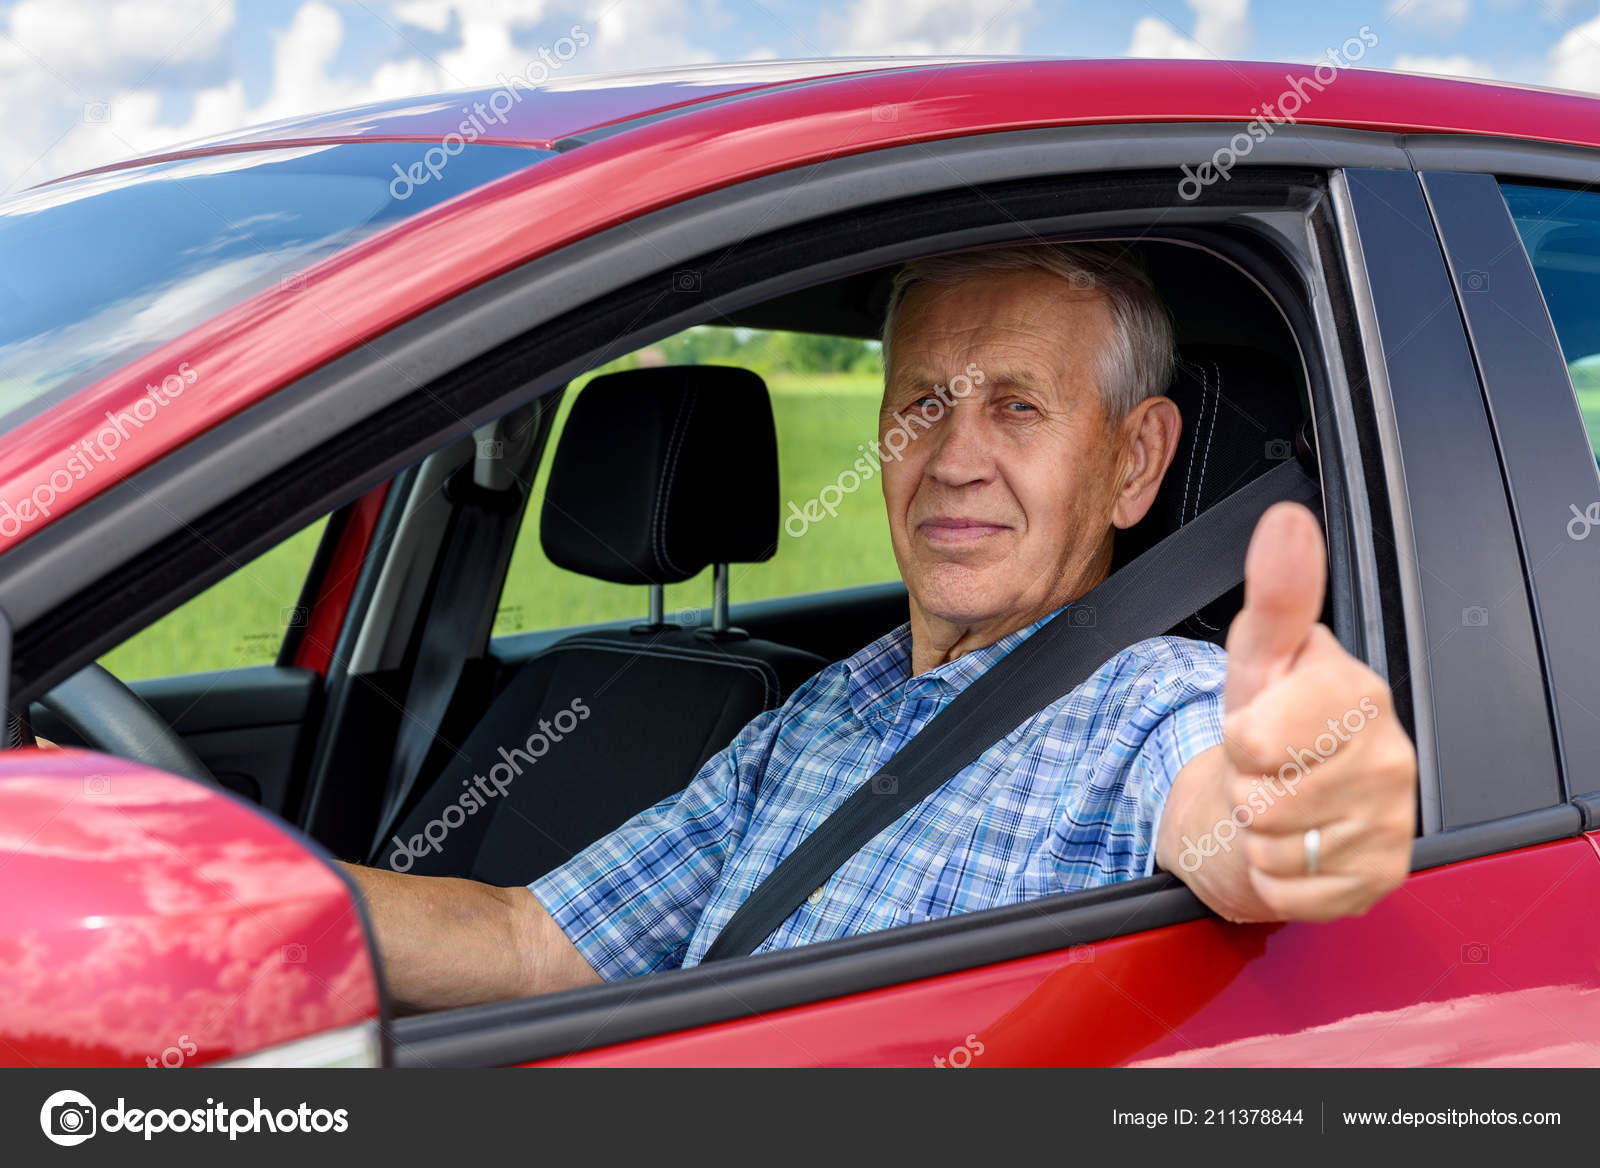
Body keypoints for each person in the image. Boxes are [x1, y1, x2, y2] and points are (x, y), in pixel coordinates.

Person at [340, 243, 1417, 1013]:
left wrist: (1305, 798)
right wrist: (240, 915)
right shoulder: (822, 711)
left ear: (1133, 461)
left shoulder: (1153, 705)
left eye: (1018, 405)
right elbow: (534, 943)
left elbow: (1235, 816)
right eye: (920, 406)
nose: (952, 460)